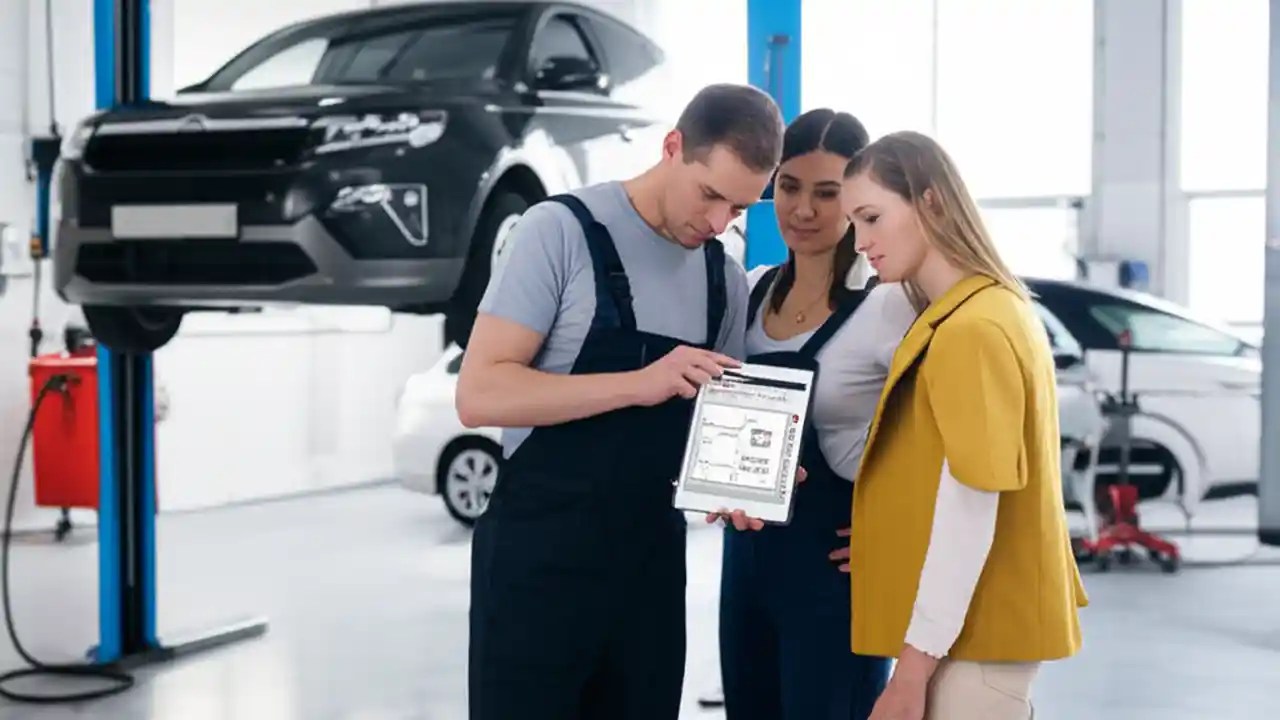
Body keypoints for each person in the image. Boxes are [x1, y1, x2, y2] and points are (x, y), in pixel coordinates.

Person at [455, 83, 785, 720]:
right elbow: (479, 393)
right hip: (537, 567)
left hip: (650, 573)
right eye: (710, 194)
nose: (719, 223)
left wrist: (747, 480)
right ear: (672, 146)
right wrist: (639, 383)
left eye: (739, 209)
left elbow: (708, 430)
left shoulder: (724, 280)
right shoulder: (559, 232)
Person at [837, 130, 1089, 720]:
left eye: (871, 218)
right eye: (853, 223)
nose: (860, 242)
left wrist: (911, 674)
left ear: (932, 202)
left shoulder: (970, 330)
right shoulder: (993, 307)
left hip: (970, 643)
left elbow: (970, 510)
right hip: (972, 635)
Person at [713, 109, 915, 720]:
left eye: (827, 194)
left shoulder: (889, 306)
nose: (803, 210)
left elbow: (938, 440)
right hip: (743, 564)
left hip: (833, 573)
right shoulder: (747, 290)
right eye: (791, 187)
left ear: (857, 200)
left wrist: (901, 534)